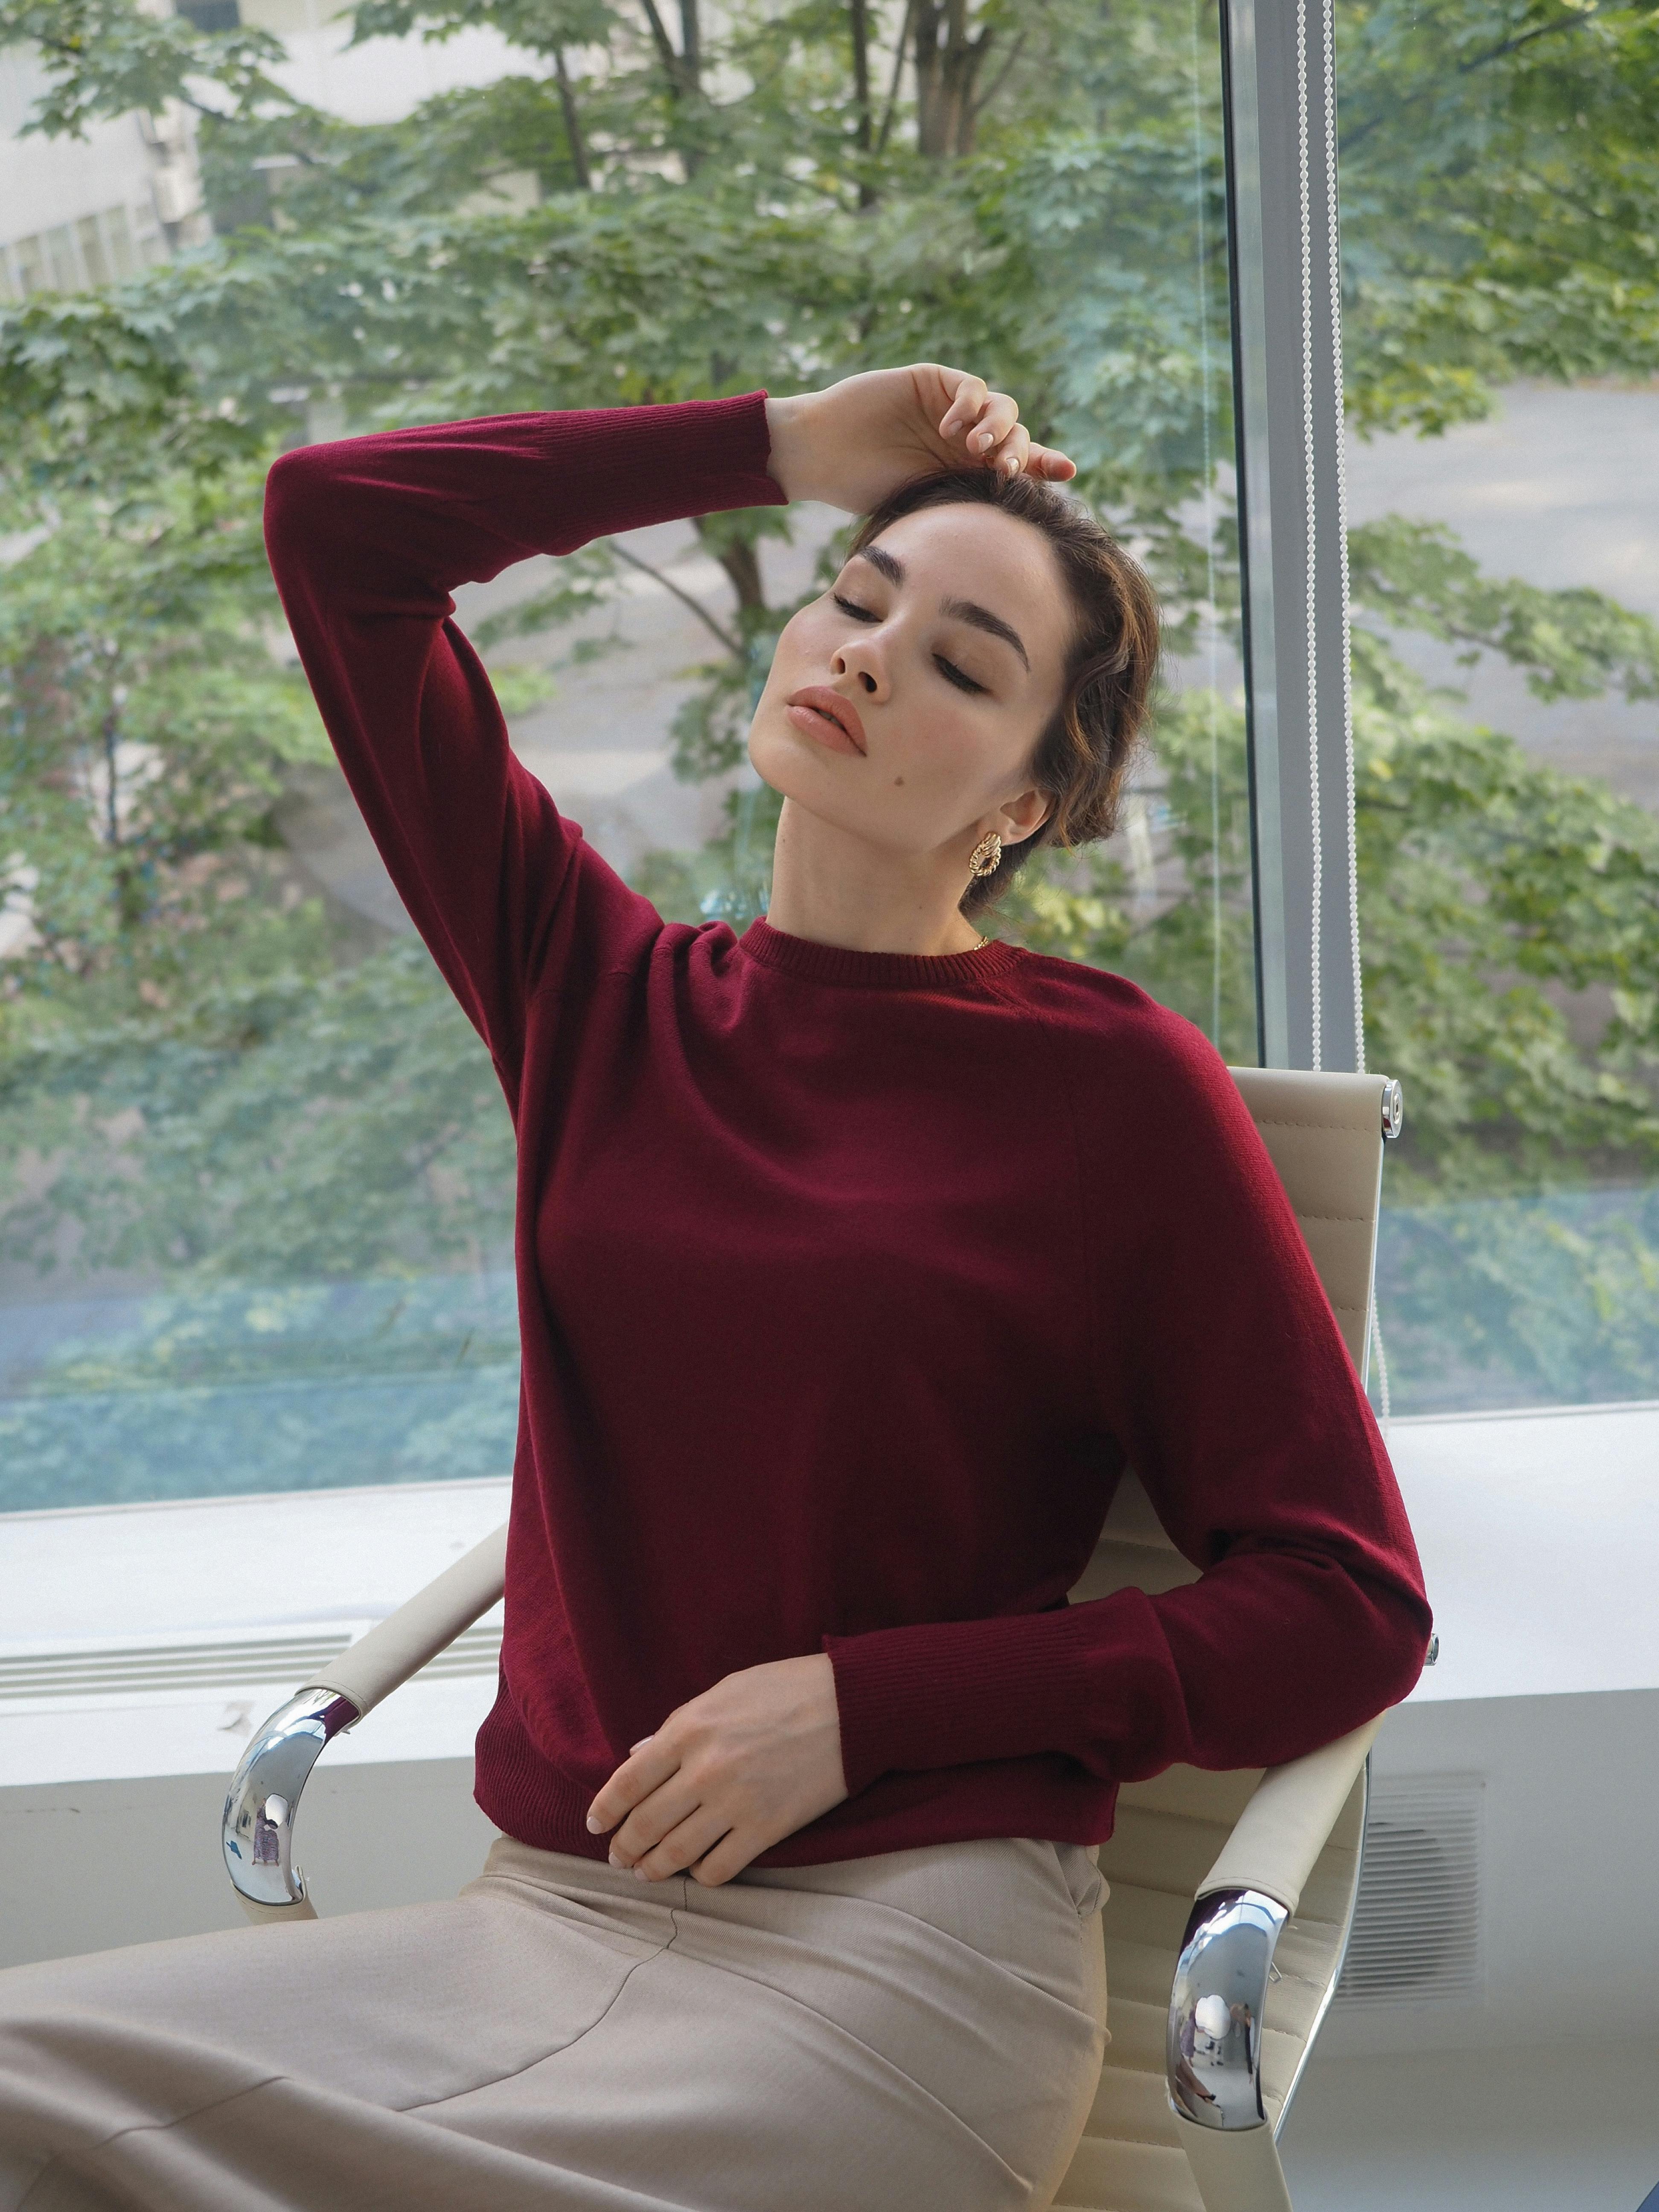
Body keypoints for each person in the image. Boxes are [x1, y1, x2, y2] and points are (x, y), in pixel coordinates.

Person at [0, 364, 1432, 2212]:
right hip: (541, 1929)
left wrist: (867, 1706)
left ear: (1024, 805)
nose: (868, 657)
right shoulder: (594, 997)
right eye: (861, 599)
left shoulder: (1112, 1092)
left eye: (966, 665)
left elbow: (1346, 1608)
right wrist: (774, 449)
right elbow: (337, 533)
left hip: (895, 1973)